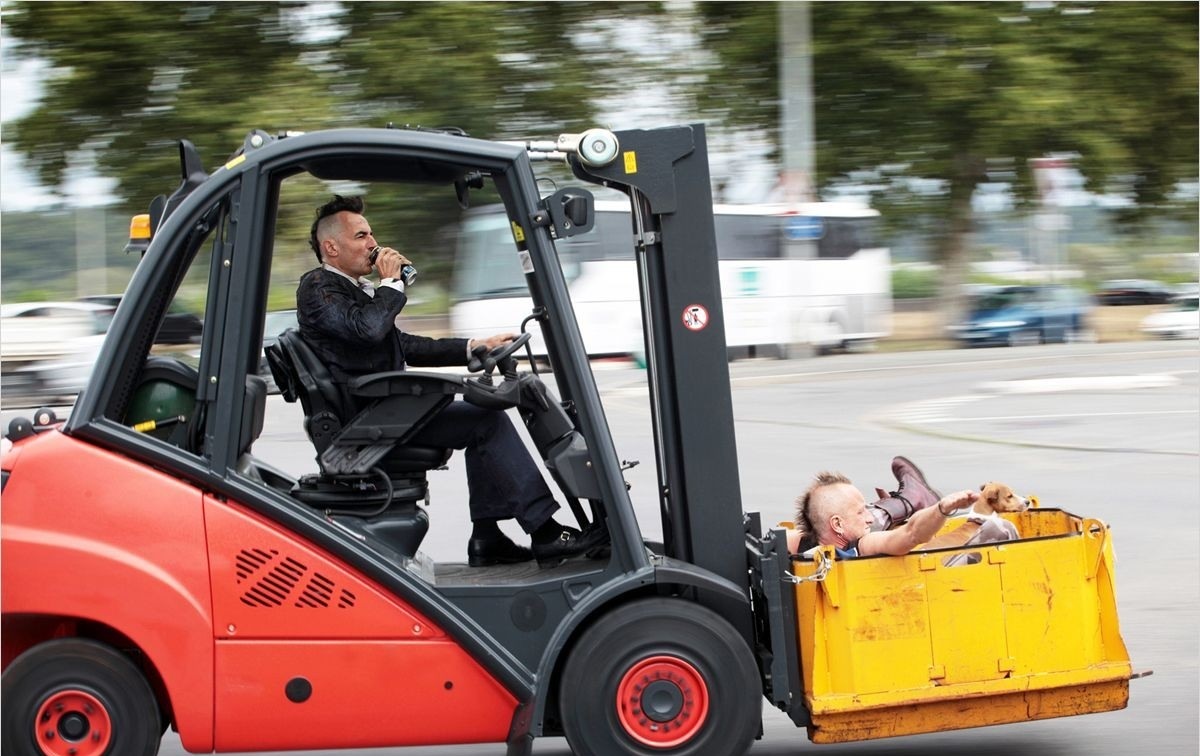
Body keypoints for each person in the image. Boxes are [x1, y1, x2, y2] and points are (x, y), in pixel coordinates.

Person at [296, 195, 607, 567]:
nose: (372, 244)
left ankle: (487, 538)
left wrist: (472, 347)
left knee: (484, 417)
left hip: (384, 413)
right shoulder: (318, 288)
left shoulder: (352, 290)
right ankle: (545, 531)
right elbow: (368, 330)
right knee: (484, 420)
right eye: (361, 235)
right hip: (369, 422)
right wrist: (392, 284)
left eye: (370, 234)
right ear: (331, 247)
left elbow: (402, 344)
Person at [787, 469, 979, 558]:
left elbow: (911, 534)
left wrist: (941, 510)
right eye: (861, 512)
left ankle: (912, 499)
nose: (869, 518)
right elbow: (910, 533)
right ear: (837, 524)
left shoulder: (863, 543)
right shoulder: (800, 543)